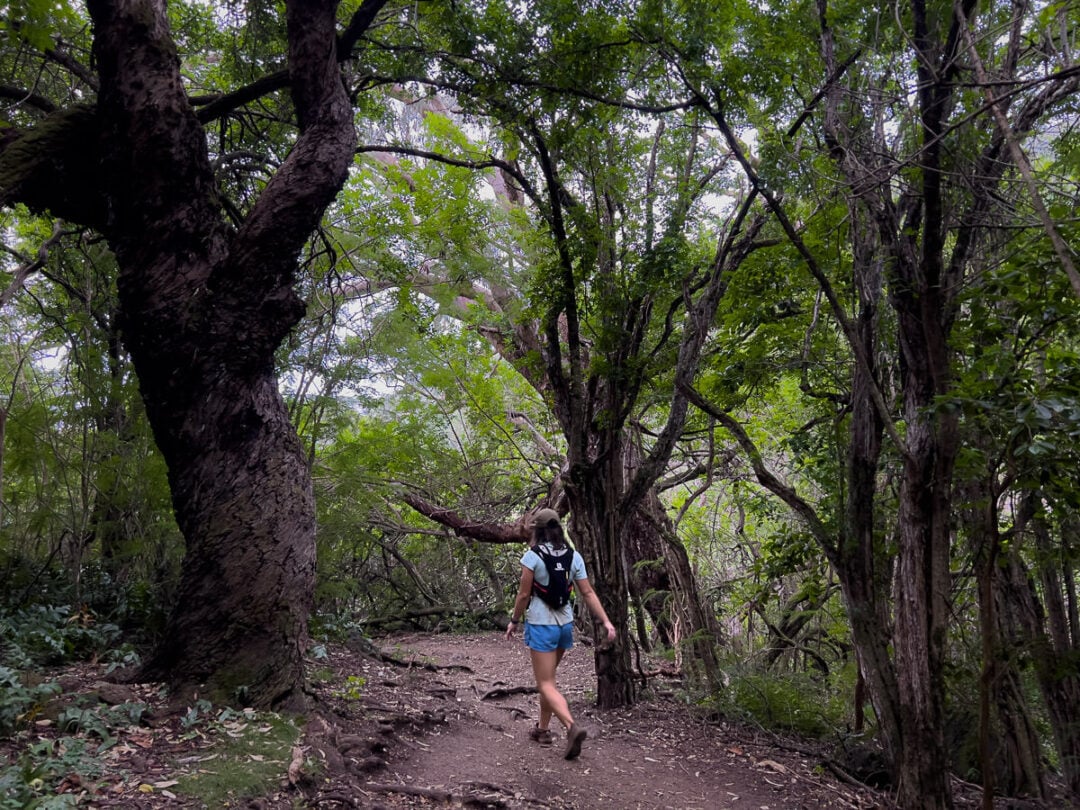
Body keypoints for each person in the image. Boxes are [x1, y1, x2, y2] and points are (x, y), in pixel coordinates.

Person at [505, 508, 617, 760]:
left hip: (541, 624)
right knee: (550, 682)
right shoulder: (572, 555)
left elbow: (523, 595)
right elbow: (587, 593)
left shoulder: (532, 556)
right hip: (564, 626)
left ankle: (570, 727)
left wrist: (514, 620)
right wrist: (606, 621)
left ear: (538, 530)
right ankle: (542, 730)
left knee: (544, 683)